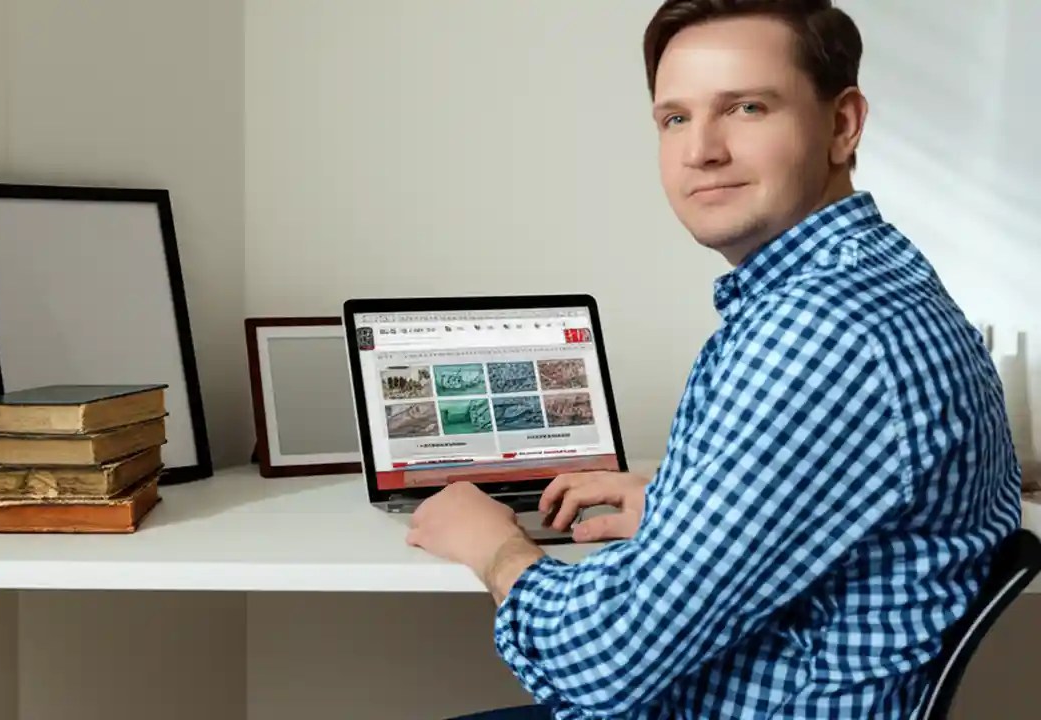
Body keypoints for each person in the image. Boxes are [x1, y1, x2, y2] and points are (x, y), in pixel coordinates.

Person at [404, 1, 1023, 718]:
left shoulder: (819, 329)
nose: (702, 150)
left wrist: (495, 546)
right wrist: (681, 506)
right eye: (674, 118)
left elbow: (604, 659)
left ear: (843, 125)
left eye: (748, 108)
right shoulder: (873, 278)